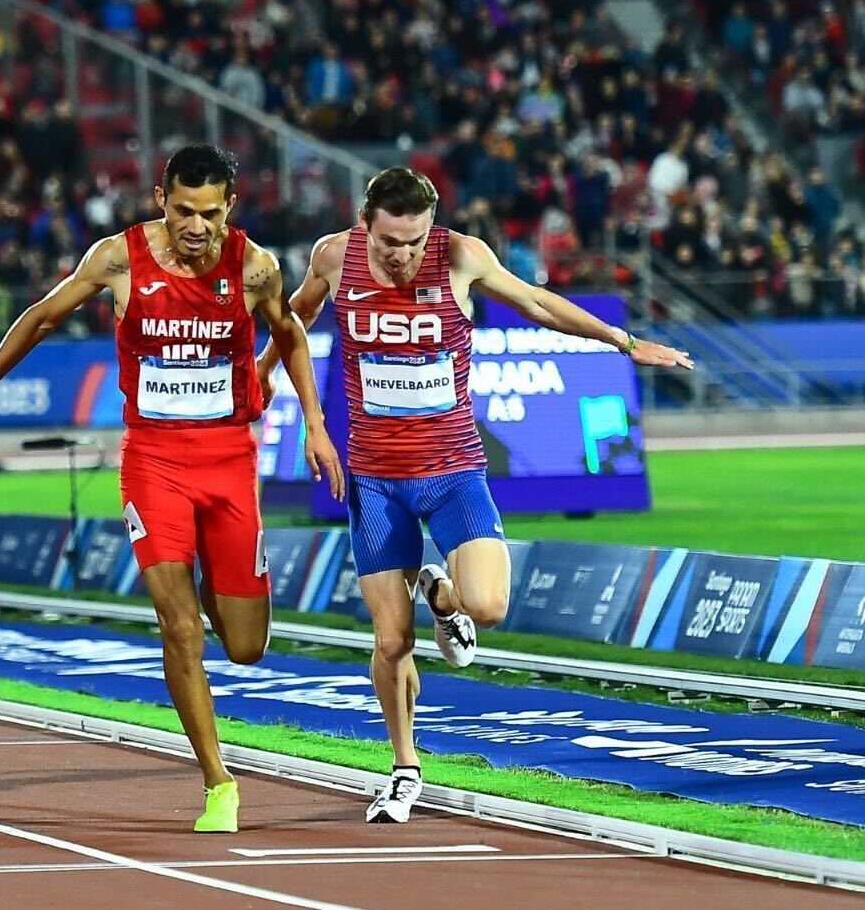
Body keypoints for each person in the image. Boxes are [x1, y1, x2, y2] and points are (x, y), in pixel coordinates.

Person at [0, 144, 341, 834]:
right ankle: (219, 782)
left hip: (229, 463)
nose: (196, 227)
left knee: (245, 646)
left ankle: (214, 578)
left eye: (210, 214)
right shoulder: (118, 259)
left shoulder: (255, 266)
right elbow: (42, 316)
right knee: (180, 627)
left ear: (229, 208)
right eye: (183, 211)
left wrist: (316, 425)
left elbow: (290, 333)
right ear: (160, 201)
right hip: (153, 463)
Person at [256, 166, 691, 824]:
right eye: (388, 242)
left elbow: (537, 304)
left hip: (454, 470)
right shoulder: (334, 256)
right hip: (374, 479)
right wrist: (269, 375)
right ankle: (404, 768)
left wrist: (623, 341)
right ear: (365, 224)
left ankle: (443, 595)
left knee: (486, 605)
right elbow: (297, 315)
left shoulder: (460, 256)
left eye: (413, 242)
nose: (401, 256)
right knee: (391, 641)